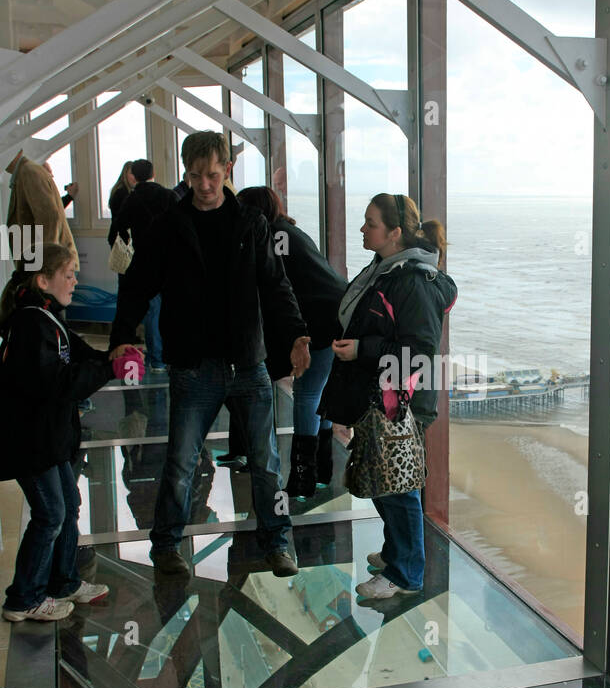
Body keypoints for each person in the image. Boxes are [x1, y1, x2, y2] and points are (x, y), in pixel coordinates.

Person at [108, 130, 312, 578]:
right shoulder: (167, 227)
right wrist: (122, 335)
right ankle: (165, 545)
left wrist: (297, 335)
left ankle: (278, 543)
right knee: (180, 462)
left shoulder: (252, 224)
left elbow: (275, 286)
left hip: (248, 364)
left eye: (213, 175)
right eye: (196, 176)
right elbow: (137, 285)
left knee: (266, 466)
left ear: (228, 171)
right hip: (192, 368)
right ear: (186, 171)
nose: (204, 184)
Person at [319, 193, 456, 599]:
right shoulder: (387, 269)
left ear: (395, 233)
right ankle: (398, 553)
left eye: (370, 223)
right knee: (386, 480)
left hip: (400, 402)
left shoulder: (412, 280)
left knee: (397, 487)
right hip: (381, 396)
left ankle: (405, 574)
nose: (363, 229)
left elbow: (418, 352)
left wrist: (363, 349)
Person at [0, 245, 114, 622]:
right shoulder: (31, 325)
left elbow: (78, 352)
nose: (75, 281)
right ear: (43, 280)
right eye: (68, 274)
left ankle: (63, 581)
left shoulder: (48, 318)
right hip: (33, 442)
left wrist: (111, 357)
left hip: (51, 439)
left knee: (68, 506)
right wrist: (108, 371)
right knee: (50, 515)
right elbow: (58, 384)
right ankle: (23, 598)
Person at [224, 185, 347, 498]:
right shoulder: (289, 231)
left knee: (307, 394)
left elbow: (274, 287)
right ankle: (321, 471)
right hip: (337, 316)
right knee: (320, 395)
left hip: (321, 321)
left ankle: (303, 477)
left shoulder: (274, 236)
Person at [112, 159, 173, 373]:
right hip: (167, 263)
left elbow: (117, 230)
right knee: (162, 310)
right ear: (153, 172)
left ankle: (150, 360)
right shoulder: (168, 195)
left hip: (141, 263)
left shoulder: (132, 199)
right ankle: (162, 358)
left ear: (134, 176)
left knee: (146, 312)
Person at [5, 150, 77, 268]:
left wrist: (45, 265)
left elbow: (49, 219)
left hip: (50, 267)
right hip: (41, 264)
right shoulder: (24, 173)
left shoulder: (28, 172)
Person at [106, 161, 136, 246]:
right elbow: (122, 219)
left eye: (135, 174)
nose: (134, 177)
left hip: (118, 237)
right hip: (120, 239)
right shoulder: (122, 193)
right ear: (125, 174)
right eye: (131, 173)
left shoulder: (123, 191)